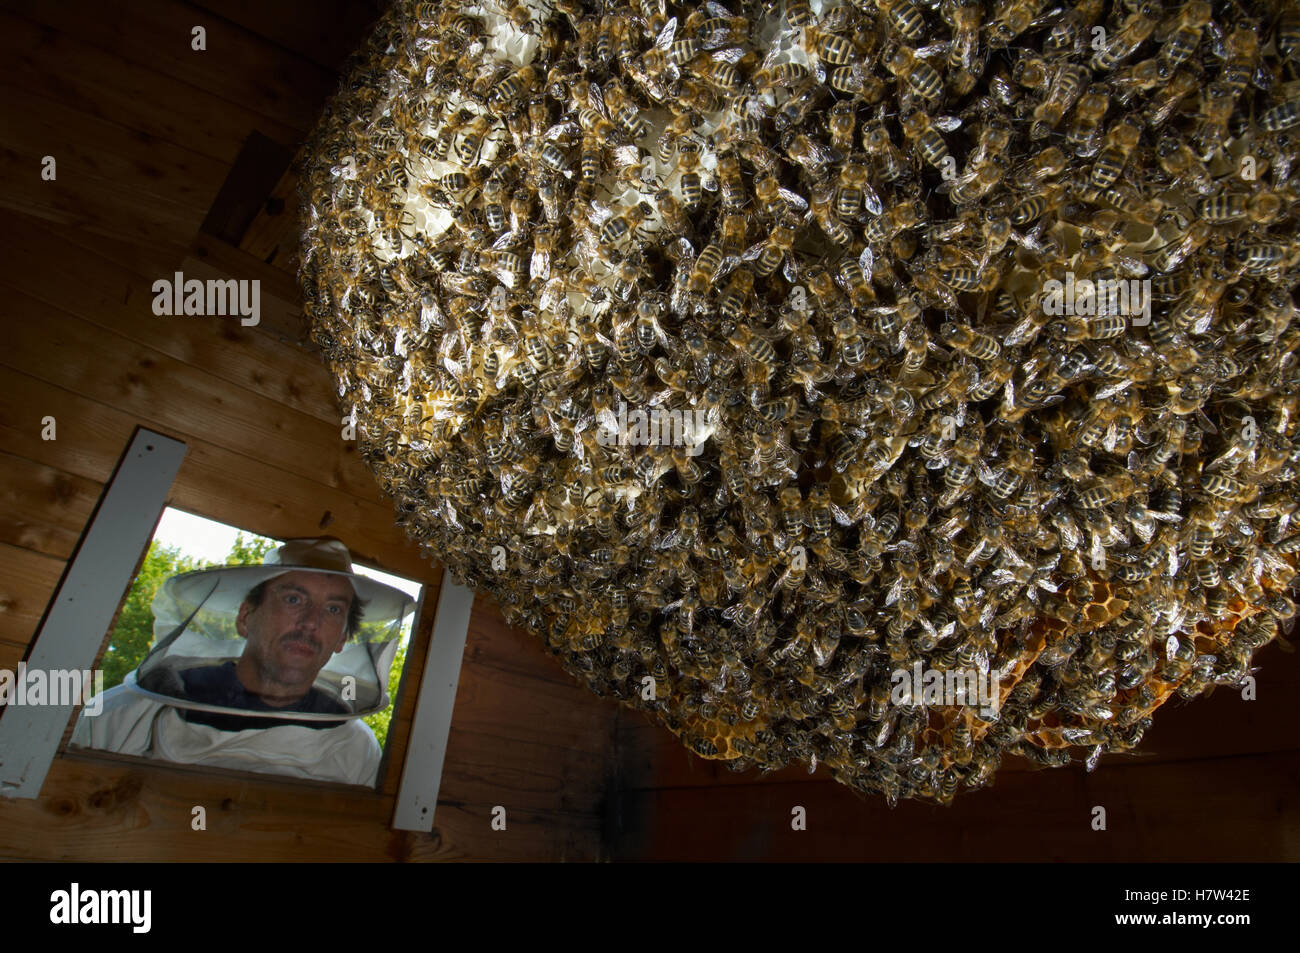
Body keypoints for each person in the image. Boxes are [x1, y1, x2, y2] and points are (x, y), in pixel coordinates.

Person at [71, 537, 413, 786]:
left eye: (333, 609)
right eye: (294, 599)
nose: (311, 622)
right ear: (246, 617)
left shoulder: (356, 750)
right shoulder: (126, 715)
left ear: (342, 638)